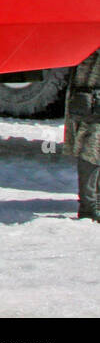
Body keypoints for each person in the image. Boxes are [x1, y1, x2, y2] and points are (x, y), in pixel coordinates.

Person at [67, 54, 100, 221]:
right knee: (91, 148)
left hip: (91, 95)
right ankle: (89, 206)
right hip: (91, 96)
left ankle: (94, 202)